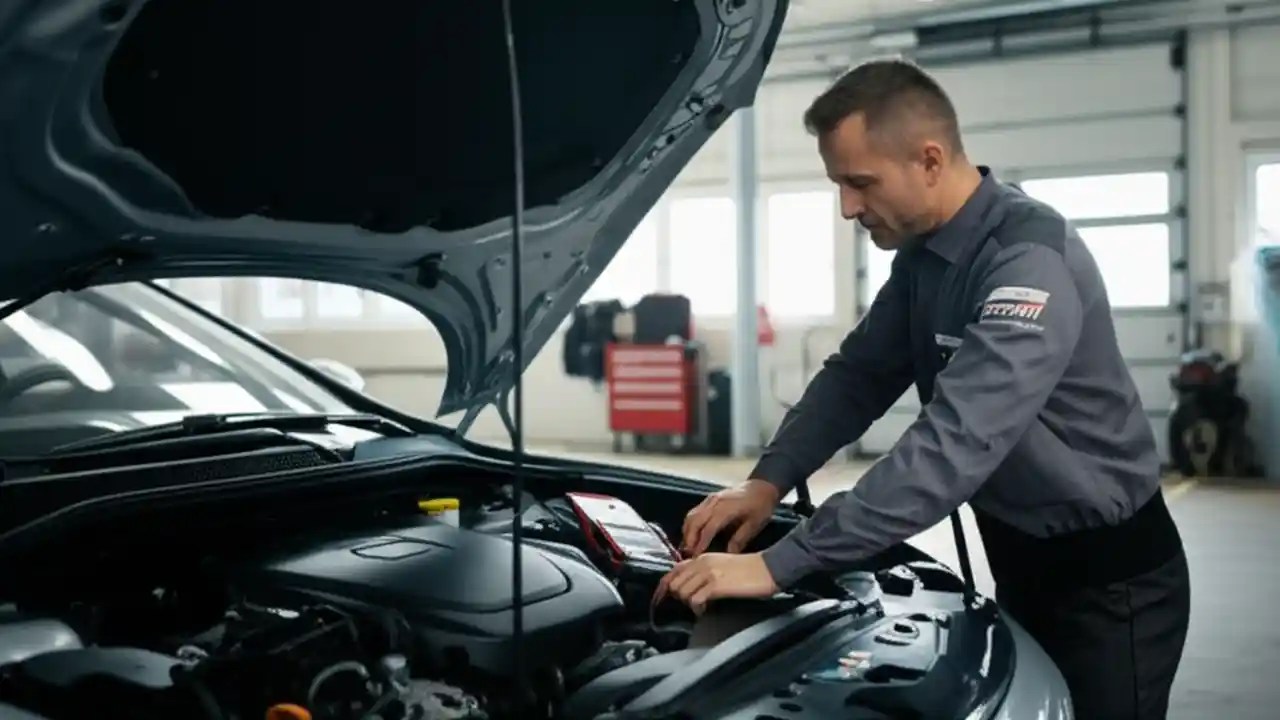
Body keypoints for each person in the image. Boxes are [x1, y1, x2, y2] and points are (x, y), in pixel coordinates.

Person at [656, 58, 1191, 719]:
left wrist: (779, 565)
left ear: (930, 161)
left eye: (859, 183)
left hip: (1111, 587)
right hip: (1024, 565)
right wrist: (767, 481)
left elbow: (950, 449)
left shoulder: (1028, 264)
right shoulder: (925, 258)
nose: (848, 208)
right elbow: (858, 375)